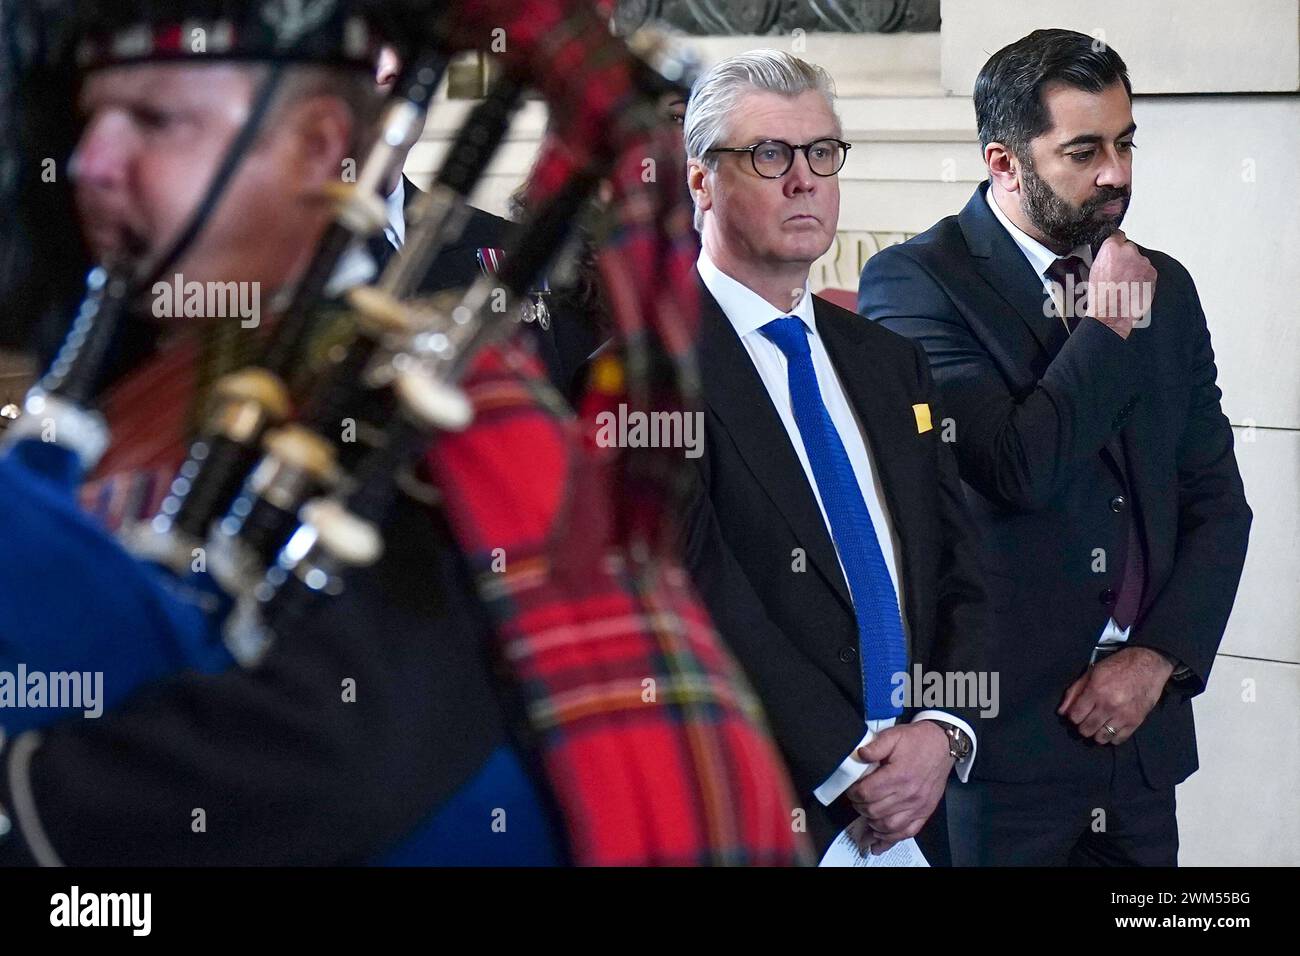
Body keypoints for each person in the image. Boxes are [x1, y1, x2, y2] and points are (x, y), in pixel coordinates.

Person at [0, 0, 803, 866]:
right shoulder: (126, 392)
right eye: (89, 122)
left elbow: (332, 764)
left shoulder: (462, 425)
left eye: (156, 120)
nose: (93, 163)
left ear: (318, 147)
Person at [858, 29, 1251, 866]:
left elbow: (1217, 500)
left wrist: (1158, 658)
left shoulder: (1163, 286)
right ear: (1004, 163)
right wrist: (1107, 326)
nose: (1117, 173)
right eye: (1084, 151)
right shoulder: (914, 283)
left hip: (1142, 746)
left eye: (1125, 142)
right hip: (998, 755)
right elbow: (1015, 467)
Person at [681, 50, 993, 861]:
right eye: (770, 155)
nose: (804, 180)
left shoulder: (888, 363)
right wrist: (846, 765)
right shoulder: (651, 370)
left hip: (921, 810)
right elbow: (694, 595)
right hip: (772, 809)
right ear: (700, 183)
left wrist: (941, 731)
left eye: (822, 153)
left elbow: (958, 562)